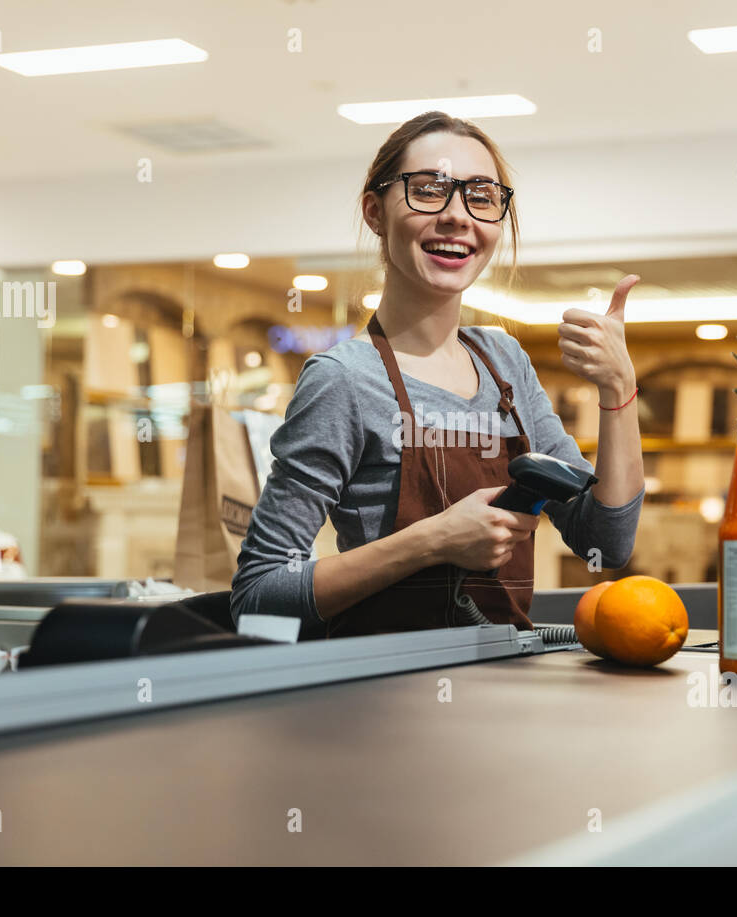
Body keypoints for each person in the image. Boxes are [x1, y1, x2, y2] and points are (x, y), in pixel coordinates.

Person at [209, 111, 645, 639]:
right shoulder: (344, 379)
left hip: (505, 694)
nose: (458, 215)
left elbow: (607, 543)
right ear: (375, 211)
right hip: (385, 700)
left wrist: (618, 390)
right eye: (430, 190)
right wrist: (432, 541)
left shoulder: (505, 363)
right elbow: (260, 597)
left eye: (480, 196)